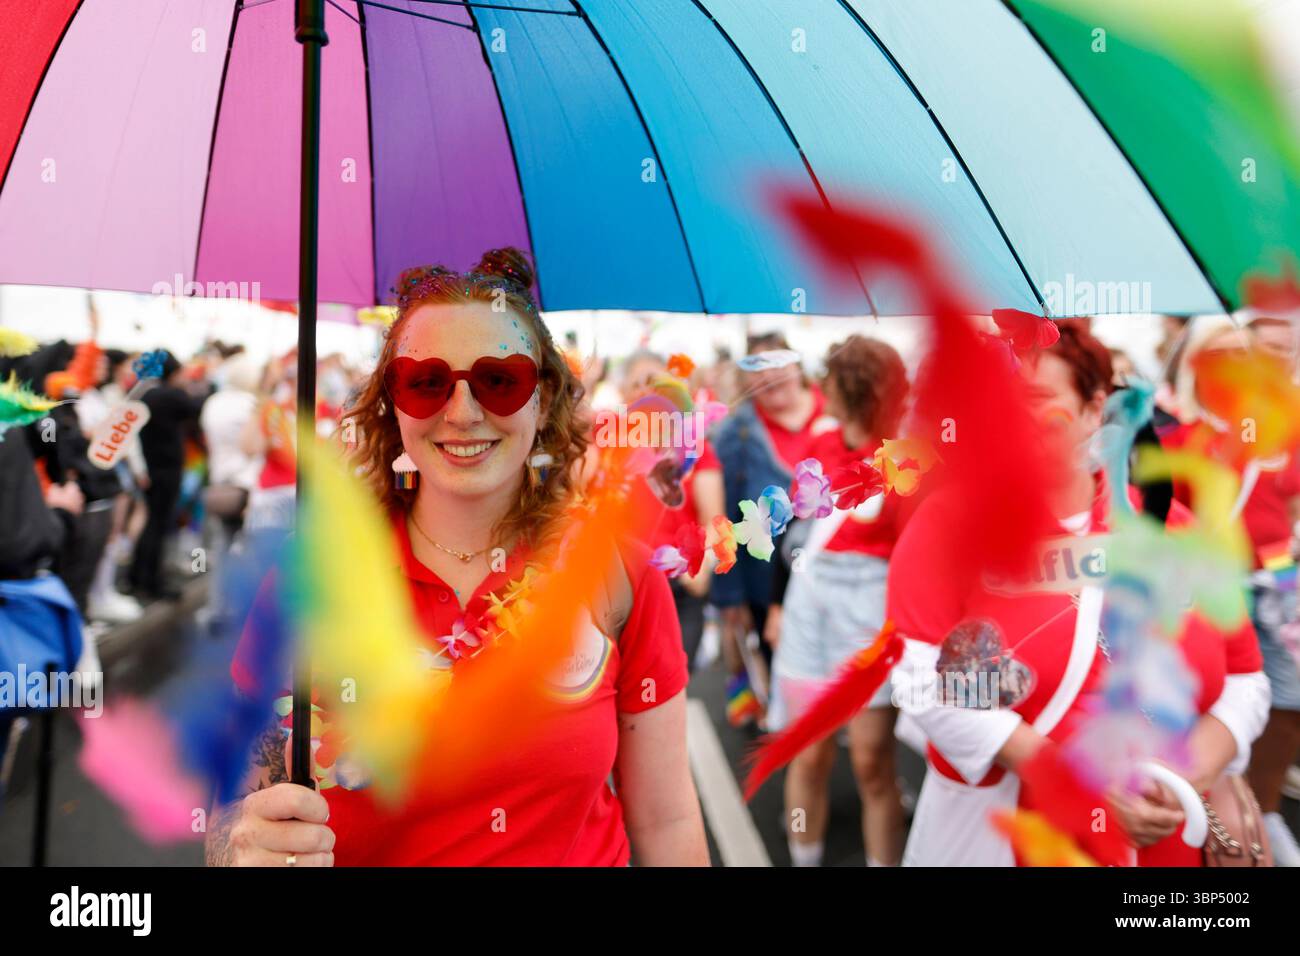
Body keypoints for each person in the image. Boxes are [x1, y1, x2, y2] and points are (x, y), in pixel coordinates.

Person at [205, 249, 708, 867]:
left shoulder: (616, 574)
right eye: (427, 381)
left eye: (499, 380)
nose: (463, 412)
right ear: (393, 401)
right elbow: (230, 810)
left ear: (543, 399)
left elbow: (667, 819)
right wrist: (240, 849)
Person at [889, 319, 1269, 866]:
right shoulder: (949, 525)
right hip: (1006, 836)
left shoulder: (1172, 529)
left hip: (1163, 842)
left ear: (1096, 409)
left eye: (1036, 401)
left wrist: (1194, 769)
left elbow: (1245, 678)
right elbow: (918, 676)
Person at [1162, 314, 1300, 864]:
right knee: (1222, 697)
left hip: (1278, 581)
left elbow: (1289, 510)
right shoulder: (1178, 433)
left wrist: (1289, 577)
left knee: (1287, 704)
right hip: (1215, 590)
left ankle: (1260, 815)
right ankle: (1228, 818)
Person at [767, 335, 909, 867]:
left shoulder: (907, 459)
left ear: (854, 390)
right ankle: (806, 858)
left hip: (871, 613)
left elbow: (917, 551)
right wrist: (778, 607)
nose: (821, 386)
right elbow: (792, 537)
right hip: (811, 610)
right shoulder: (820, 447)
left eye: (831, 379)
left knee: (873, 761)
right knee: (808, 754)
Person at [711, 332, 830, 724]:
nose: (771, 376)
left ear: (797, 366)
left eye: (778, 362)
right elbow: (723, 517)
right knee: (787, 679)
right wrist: (730, 597)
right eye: (757, 368)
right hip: (766, 586)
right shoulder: (736, 435)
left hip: (837, 579)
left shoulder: (837, 415)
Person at [129, 350, 209, 601]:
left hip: (150, 469)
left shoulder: (145, 394)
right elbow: (198, 407)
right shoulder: (171, 396)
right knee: (159, 526)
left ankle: (137, 578)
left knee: (151, 524)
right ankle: (152, 583)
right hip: (166, 470)